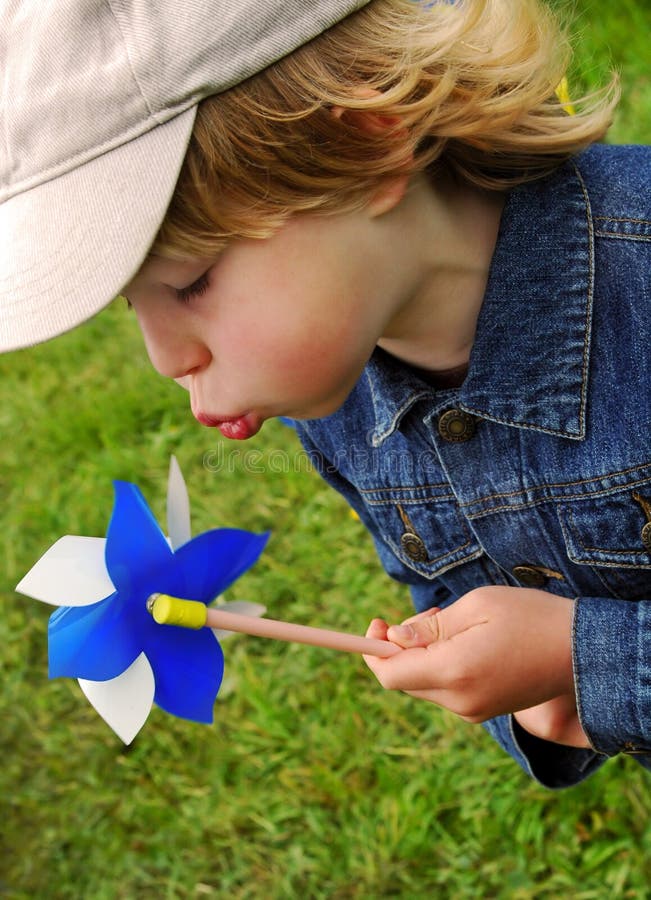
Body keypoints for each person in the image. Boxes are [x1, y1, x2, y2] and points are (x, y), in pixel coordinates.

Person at [2, 0, 650, 789]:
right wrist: (527, 690)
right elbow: (448, 589)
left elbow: (584, 658)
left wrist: (592, 660)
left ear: (364, 148)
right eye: (133, 307)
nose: (167, 359)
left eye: (192, 282)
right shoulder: (338, 408)